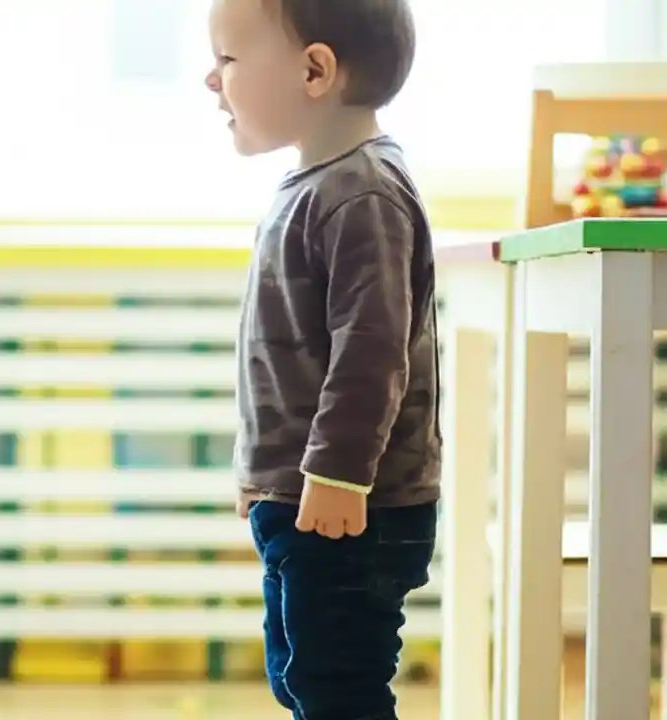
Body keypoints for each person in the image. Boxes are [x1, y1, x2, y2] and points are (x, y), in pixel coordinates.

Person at [206, 0, 441, 718]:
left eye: (229, 59)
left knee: (337, 685)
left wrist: (337, 474)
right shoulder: (316, 185)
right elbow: (285, 357)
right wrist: (267, 472)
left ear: (315, 71)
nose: (211, 80)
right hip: (304, 497)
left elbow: (371, 351)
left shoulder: (361, 193)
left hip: (353, 506)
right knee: (301, 676)